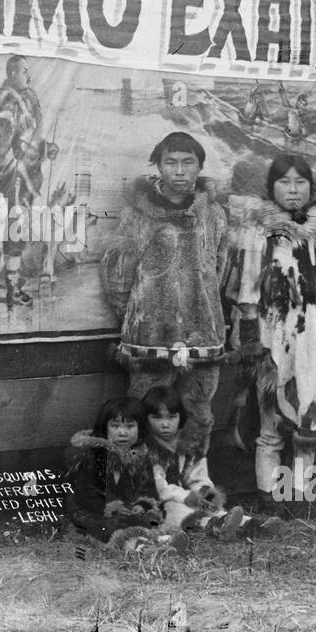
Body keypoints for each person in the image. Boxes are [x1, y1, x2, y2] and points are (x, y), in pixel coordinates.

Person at [222, 155, 316, 518]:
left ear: (312, 188)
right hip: (277, 336)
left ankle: (301, 499)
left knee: (310, 420)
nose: (293, 189)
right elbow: (246, 289)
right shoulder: (259, 230)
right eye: (284, 182)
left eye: (300, 182)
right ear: (271, 188)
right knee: (271, 422)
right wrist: (252, 340)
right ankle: (269, 497)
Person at [100, 132, 228, 451]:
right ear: (158, 166)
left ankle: (191, 483)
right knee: (146, 410)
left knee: (198, 411)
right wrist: (135, 312)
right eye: (170, 162)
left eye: (188, 162)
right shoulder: (137, 214)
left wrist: (204, 303)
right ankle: (146, 487)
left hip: (201, 334)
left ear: (200, 167)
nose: (180, 171)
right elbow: (118, 271)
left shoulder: (214, 215)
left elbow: (219, 268)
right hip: (151, 335)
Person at [0, 54, 59, 308]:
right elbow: (0, 144)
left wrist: (46, 149)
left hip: (29, 176)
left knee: (18, 231)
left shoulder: (27, 103)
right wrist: (14, 169)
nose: (28, 76)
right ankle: (13, 289)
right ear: (12, 74)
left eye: (29, 71)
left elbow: (26, 141)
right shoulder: (11, 103)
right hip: (18, 179)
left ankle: (14, 285)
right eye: (23, 71)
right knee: (15, 232)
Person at [142, 386, 248, 539]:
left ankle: (248, 525)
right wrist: (187, 498)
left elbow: (197, 475)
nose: (165, 424)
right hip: (159, 503)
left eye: (171, 417)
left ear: (181, 417)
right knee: (179, 510)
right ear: (146, 419)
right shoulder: (147, 449)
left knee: (212, 508)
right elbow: (160, 488)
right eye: (157, 418)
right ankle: (213, 527)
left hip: (184, 496)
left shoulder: (187, 445)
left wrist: (206, 495)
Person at [64, 397, 169, 547]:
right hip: (93, 512)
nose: (122, 432)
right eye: (115, 426)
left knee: (150, 520)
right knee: (108, 528)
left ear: (140, 429)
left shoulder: (139, 455)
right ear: (105, 428)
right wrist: (111, 506)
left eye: (130, 426)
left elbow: (148, 488)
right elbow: (87, 493)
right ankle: (138, 546)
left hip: (127, 511)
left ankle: (154, 540)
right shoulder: (95, 455)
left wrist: (142, 504)